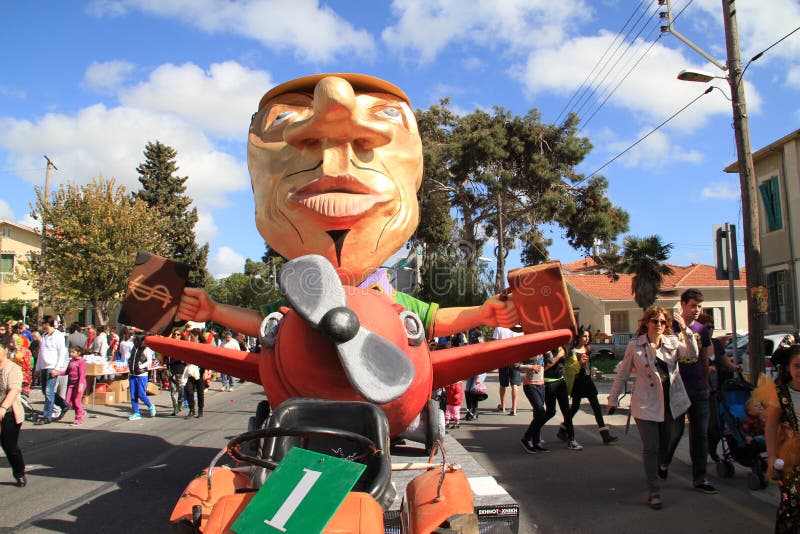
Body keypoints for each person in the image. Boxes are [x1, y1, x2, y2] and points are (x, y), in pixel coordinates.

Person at [176, 74, 517, 348]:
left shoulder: (392, 301)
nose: (334, 142)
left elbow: (433, 321)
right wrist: (214, 310)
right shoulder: (299, 303)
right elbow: (263, 322)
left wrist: (483, 313)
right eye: (283, 117)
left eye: (386, 114)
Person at [607, 306, 696, 510]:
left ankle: (662, 465)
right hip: (646, 402)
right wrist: (613, 399)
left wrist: (686, 331)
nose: (658, 325)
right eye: (655, 321)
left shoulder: (673, 342)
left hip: (671, 400)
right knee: (651, 447)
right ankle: (654, 490)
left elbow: (692, 353)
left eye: (663, 322)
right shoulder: (635, 345)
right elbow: (622, 374)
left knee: (671, 439)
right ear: (646, 322)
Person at [661, 289, 717, 494]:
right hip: (677, 389)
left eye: (699, 306)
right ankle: (664, 462)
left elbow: (704, 358)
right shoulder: (669, 327)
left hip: (699, 389)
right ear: (683, 304)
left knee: (700, 434)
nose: (696, 310)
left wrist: (707, 383)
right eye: (693, 305)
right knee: (674, 432)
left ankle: (700, 477)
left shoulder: (702, 330)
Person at [765, 344, 800, 532]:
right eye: (797, 366)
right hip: (790, 459)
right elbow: (770, 426)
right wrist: (771, 458)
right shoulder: (781, 392)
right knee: (791, 504)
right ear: (788, 368)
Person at [562, 329, 618, 445]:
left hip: (588, 382)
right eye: (584, 336)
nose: (586, 338)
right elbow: (569, 368)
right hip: (577, 382)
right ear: (578, 337)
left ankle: (605, 435)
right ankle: (563, 429)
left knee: (596, 408)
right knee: (575, 407)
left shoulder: (588, 349)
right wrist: (580, 363)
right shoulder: (572, 351)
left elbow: (589, 365)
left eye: (588, 336)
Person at [699, 313, 742, 462]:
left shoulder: (716, 344)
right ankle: (703, 453)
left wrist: (736, 368)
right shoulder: (695, 344)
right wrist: (706, 370)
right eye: (707, 327)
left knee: (720, 423)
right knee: (710, 425)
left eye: (712, 327)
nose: (710, 330)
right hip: (704, 389)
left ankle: (711, 449)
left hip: (719, 390)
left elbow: (727, 363)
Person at [0, 332, 26, 487]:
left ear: (4, 350)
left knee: (9, 446)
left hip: (9, 414)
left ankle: (19, 473)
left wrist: (3, 408)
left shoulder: (12, 368)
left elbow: (14, 390)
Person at [543, 347, 582, 451]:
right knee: (550, 412)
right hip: (548, 382)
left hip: (561, 382)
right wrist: (559, 355)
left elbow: (569, 365)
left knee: (566, 412)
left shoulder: (563, 347)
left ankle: (571, 439)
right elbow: (544, 367)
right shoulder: (546, 348)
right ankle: (534, 431)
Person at [34, 315, 69, 425]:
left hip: (52, 367)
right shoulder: (44, 336)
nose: (42, 325)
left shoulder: (58, 336)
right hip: (44, 366)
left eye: (43, 323)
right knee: (45, 391)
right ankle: (63, 405)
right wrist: (37, 368)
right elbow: (41, 353)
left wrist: (57, 368)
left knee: (49, 392)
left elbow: (61, 353)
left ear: (47, 324)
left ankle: (47, 416)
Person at [519, 352, 548, 453]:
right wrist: (531, 367)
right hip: (530, 385)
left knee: (537, 415)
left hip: (541, 385)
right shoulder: (528, 349)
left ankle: (536, 442)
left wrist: (548, 350)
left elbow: (551, 360)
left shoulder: (544, 349)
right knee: (541, 413)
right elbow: (515, 366)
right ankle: (526, 438)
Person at [493, 326, 523, 415]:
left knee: (503, 384)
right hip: (515, 358)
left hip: (503, 359)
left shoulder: (499, 328)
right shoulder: (520, 329)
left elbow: (495, 344)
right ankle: (514, 408)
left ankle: (503, 406)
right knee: (514, 384)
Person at [127, 335, 156, 421]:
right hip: (132, 374)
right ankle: (136, 412)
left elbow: (149, 361)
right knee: (133, 395)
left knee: (141, 394)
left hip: (142, 375)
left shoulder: (146, 349)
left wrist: (141, 366)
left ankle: (150, 406)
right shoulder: (134, 348)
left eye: (137, 340)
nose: (135, 341)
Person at [61, 346, 87, 426]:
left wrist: (80, 385)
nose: (71, 353)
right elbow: (67, 372)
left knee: (77, 401)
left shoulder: (81, 362)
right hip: (72, 383)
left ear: (78, 353)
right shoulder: (71, 361)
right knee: (68, 401)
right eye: (70, 352)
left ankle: (78, 418)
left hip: (79, 383)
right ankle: (81, 411)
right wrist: (58, 373)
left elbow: (82, 374)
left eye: (73, 352)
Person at [185, 328, 207, 418]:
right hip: (190, 371)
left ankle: (200, 409)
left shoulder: (203, 345)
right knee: (189, 391)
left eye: (192, 336)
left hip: (200, 371)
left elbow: (206, 360)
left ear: (196, 336)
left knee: (200, 392)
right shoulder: (189, 345)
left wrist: (206, 371)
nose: (190, 337)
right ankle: (191, 410)